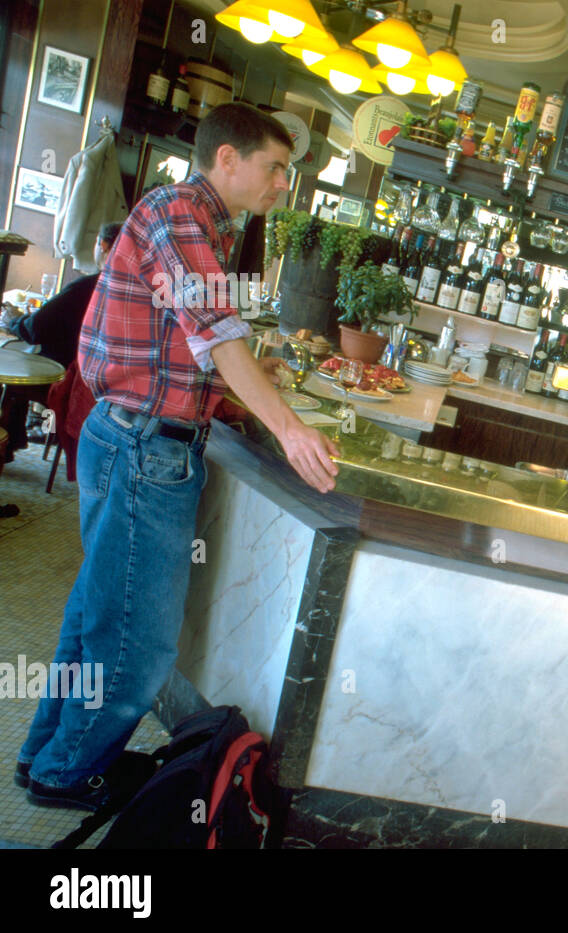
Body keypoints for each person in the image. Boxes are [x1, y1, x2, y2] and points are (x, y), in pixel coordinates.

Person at [17, 102, 339, 811]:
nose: (283, 184)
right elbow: (219, 334)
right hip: (144, 447)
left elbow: (191, 343)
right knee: (137, 640)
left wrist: (246, 382)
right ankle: (68, 774)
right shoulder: (183, 215)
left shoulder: (201, 221)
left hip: (128, 434)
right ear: (227, 158)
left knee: (97, 614)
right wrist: (288, 429)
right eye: (275, 167)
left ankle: (47, 756)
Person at [9, 223, 122, 368]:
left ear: (103, 245)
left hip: (58, 370)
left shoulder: (85, 287)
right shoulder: (135, 293)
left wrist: (13, 320)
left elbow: (34, 329)